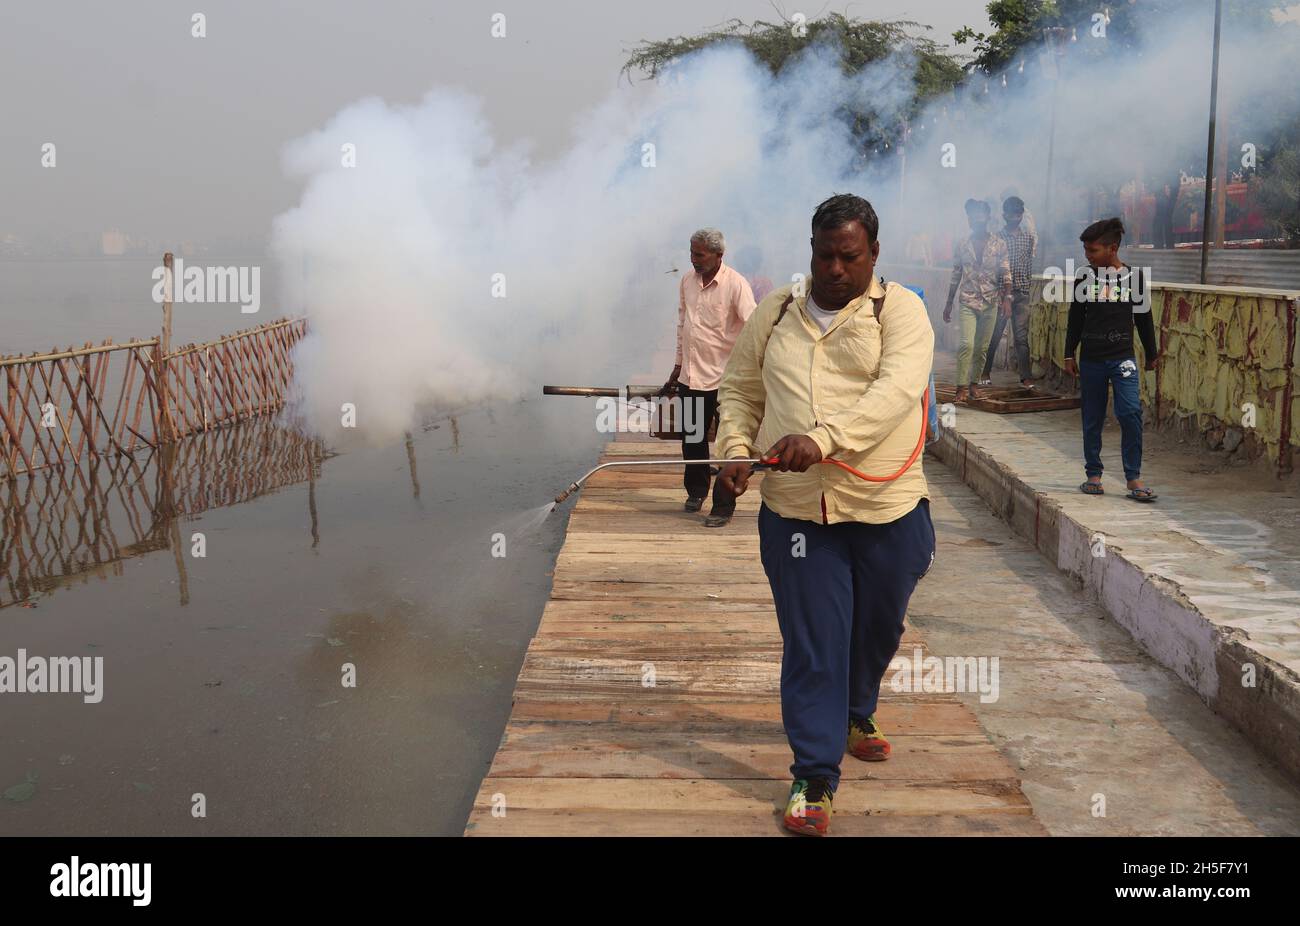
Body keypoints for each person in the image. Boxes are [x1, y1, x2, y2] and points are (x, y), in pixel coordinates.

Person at [714, 194, 936, 836]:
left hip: (886, 507)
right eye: (823, 254)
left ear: (873, 254)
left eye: (849, 256)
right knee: (815, 644)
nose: (834, 269)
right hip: (797, 515)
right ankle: (814, 774)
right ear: (809, 249)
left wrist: (824, 438)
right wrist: (734, 449)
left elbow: (896, 391)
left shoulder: (903, 311)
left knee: (879, 628)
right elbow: (740, 388)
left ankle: (856, 707)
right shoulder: (777, 311)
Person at [660, 228, 756, 527]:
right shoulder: (686, 281)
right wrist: (677, 368)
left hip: (728, 379)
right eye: (691, 253)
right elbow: (682, 326)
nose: (694, 260)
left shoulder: (736, 284)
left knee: (730, 442)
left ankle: (723, 507)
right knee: (692, 438)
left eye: (700, 255)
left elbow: (754, 327)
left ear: (719, 255)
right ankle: (697, 491)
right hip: (692, 375)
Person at [1063, 217, 1159, 502]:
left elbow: (1144, 318)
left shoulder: (1134, 278)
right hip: (1091, 359)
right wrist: (1069, 353)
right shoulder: (1085, 277)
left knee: (1130, 414)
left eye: (1093, 250)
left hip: (1123, 360)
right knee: (1092, 417)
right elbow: (1076, 318)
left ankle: (1133, 478)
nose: (1087, 256)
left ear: (1112, 248)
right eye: (1086, 251)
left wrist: (1152, 354)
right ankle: (1093, 475)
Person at [943, 199, 1010, 403]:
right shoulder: (962, 244)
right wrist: (948, 303)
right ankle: (960, 387)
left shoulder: (999, 244)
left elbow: (1006, 273)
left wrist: (1007, 299)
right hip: (968, 300)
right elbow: (956, 274)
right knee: (967, 344)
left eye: (980, 214)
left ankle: (974, 385)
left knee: (982, 347)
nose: (977, 219)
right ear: (969, 220)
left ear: (988, 218)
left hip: (991, 300)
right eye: (972, 215)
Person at [980, 196, 1037, 388]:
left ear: (1022, 215)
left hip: (1021, 293)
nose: (1015, 218)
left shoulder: (1028, 237)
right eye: (1011, 214)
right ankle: (985, 372)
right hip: (1001, 294)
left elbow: (1027, 263)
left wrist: (1025, 287)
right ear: (1004, 215)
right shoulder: (996, 239)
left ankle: (1026, 377)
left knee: (1021, 337)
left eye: (1018, 214)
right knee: (995, 334)